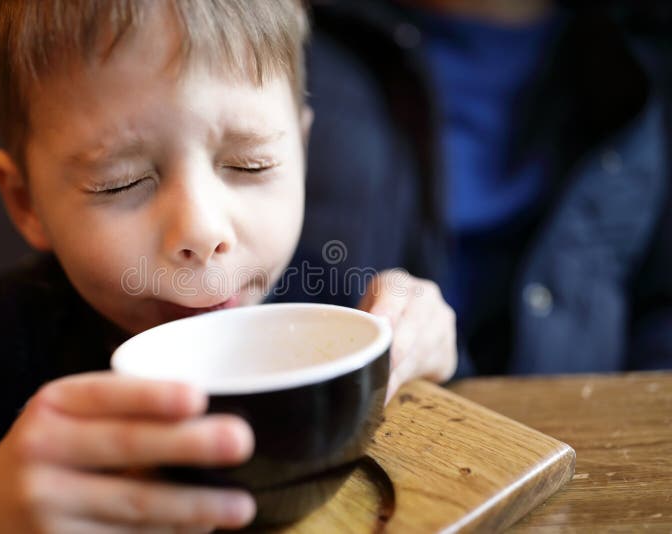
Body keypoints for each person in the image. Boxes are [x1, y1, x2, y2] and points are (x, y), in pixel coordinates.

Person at [0, 1, 456, 532]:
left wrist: (429, 349)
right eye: (119, 181)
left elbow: (459, 447)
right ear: (26, 202)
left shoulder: (342, 309)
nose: (202, 233)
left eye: (249, 165)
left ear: (300, 153)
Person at [278, 0, 672, 377]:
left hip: (583, 425)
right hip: (373, 416)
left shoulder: (645, 62)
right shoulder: (304, 39)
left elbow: (661, 310)